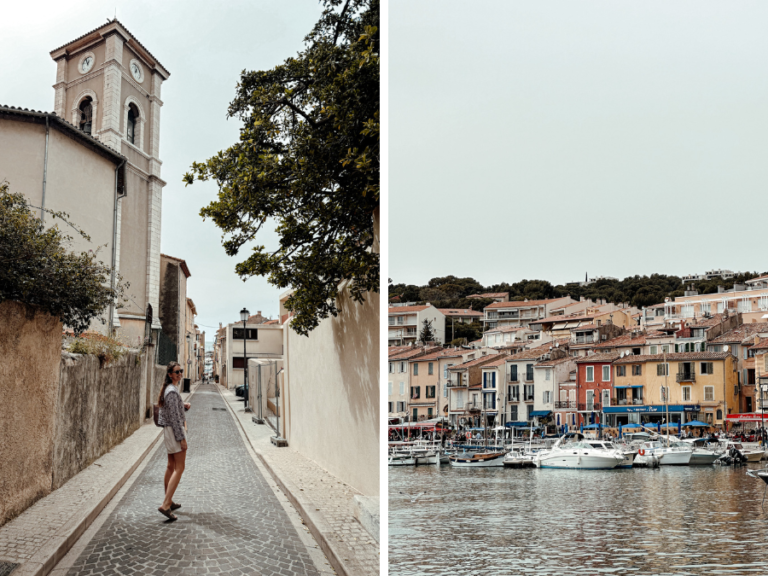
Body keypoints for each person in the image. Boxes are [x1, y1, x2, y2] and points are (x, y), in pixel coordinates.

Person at [157, 361, 191, 521]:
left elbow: (172, 410)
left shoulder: (171, 390)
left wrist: (182, 405)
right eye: (176, 372)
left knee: (171, 466)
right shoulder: (171, 391)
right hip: (174, 431)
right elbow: (175, 418)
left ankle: (168, 501)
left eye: (181, 371)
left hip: (170, 431)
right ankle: (165, 504)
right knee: (179, 468)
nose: (179, 374)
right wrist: (182, 439)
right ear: (170, 374)